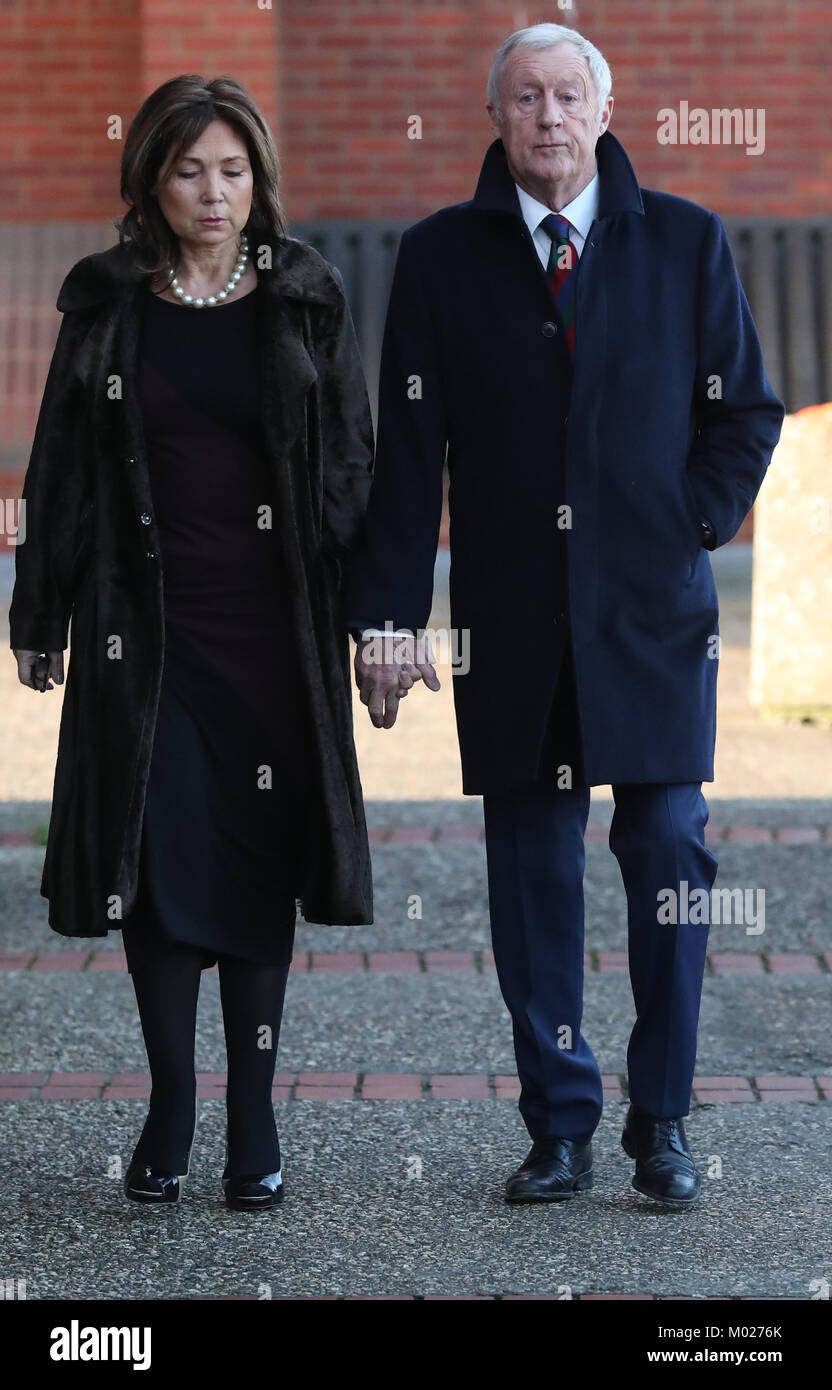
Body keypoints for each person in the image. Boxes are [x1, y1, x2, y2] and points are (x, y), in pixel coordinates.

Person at [346, 23, 784, 1206]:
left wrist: (683, 522)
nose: (547, 117)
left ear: (604, 108)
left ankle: (662, 1120)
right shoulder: (440, 257)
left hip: (651, 619)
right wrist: (387, 615)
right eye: (525, 97)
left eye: (567, 95)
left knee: (669, 849)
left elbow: (746, 411)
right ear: (496, 118)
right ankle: (560, 1124)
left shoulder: (683, 239)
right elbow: (408, 456)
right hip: (513, 620)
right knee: (533, 873)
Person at [9, 74, 375, 1211]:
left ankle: (253, 1114)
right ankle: (173, 1104)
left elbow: (353, 468)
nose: (214, 194)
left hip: (273, 633)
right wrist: (40, 612)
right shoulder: (106, 299)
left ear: (258, 179)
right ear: (151, 180)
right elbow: (60, 464)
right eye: (187, 170)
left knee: (255, 867)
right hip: (142, 633)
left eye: (232, 170)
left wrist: (375, 627)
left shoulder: (306, 296)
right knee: (158, 871)